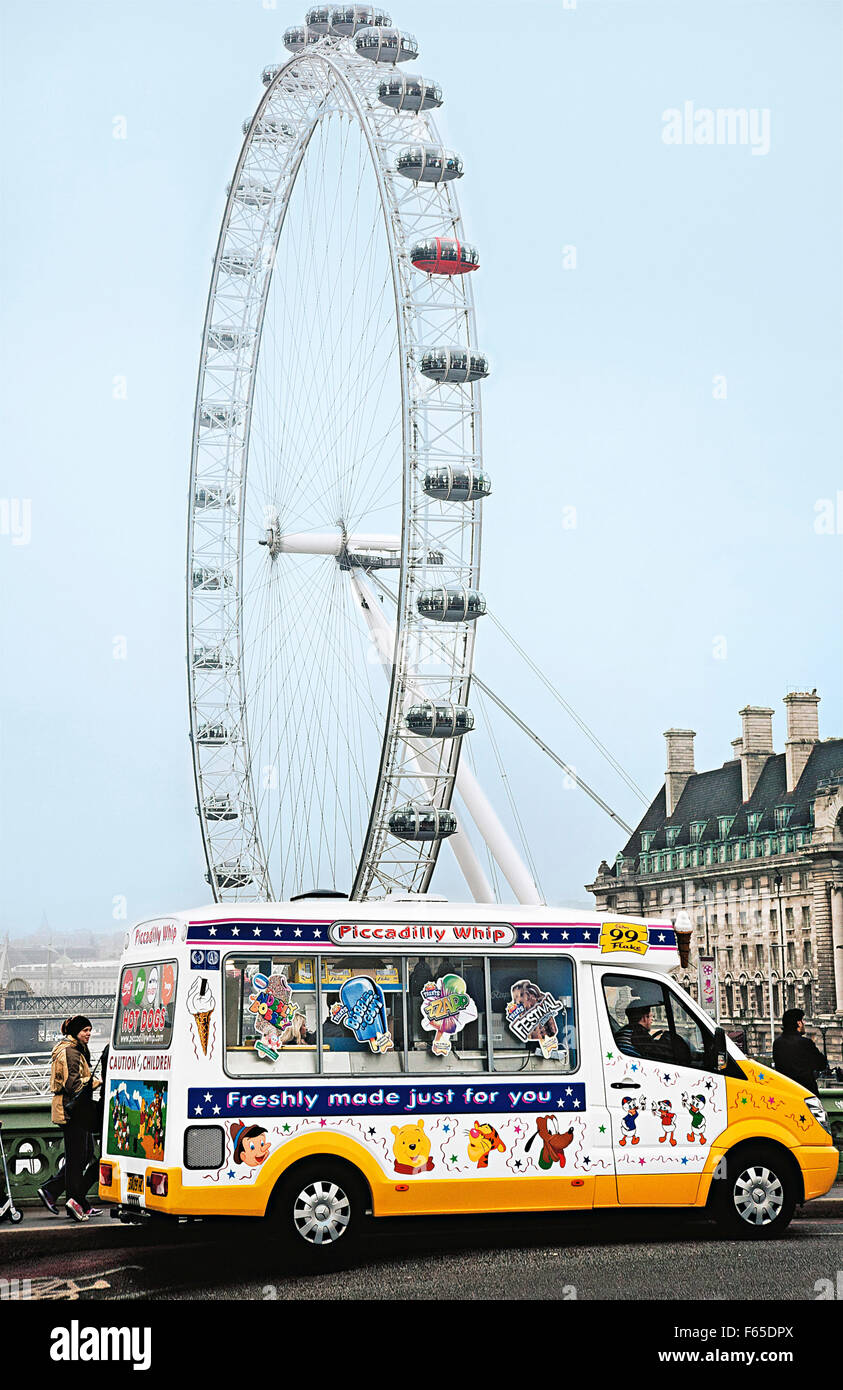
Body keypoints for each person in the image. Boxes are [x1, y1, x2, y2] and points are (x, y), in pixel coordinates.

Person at [39, 1016, 103, 1221]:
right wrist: (95, 1082)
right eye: (85, 1030)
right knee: (78, 1158)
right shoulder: (69, 1051)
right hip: (71, 1110)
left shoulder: (77, 1049)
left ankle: (58, 1193)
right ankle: (74, 1202)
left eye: (90, 1030)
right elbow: (72, 1084)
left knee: (85, 1154)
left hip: (78, 1110)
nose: (88, 1033)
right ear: (74, 1032)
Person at [772, 1008, 828, 1097]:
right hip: (806, 1091)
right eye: (802, 1021)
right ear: (798, 1023)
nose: (804, 1024)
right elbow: (822, 1064)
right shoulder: (806, 1043)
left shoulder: (777, 1043)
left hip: (786, 1091)